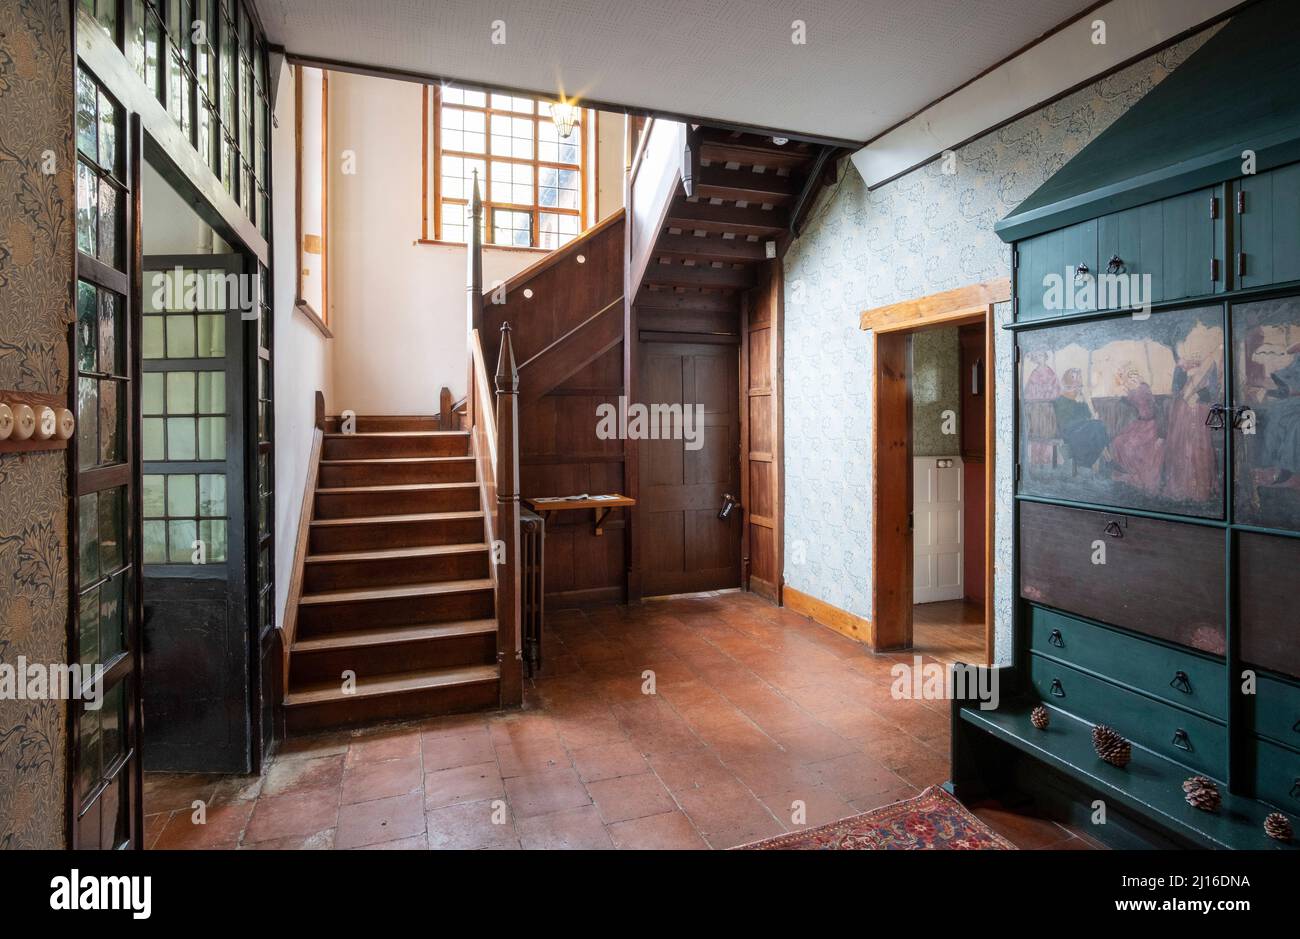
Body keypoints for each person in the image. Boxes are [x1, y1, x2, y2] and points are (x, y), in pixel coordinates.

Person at [1106, 364, 1164, 494]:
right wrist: (1122, 383)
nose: (1133, 378)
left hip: (1150, 425)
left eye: (1135, 375)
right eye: (1130, 376)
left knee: (1130, 446)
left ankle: (1137, 476)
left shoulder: (1144, 388)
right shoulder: (1131, 390)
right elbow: (1126, 398)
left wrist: (1127, 387)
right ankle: (1128, 471)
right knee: (1117, 441)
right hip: (1139, 424)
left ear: (1139, 376)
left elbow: (1148, 405)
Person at [1053, 368, 1109, 470]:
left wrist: (1085, 401)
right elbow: (1065, 422)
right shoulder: (1060, 400)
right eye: (1073, 378)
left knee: (1098, 426)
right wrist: (1076, 403)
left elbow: (1088, 416)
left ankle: (1107, 460)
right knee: (1098, 426)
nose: (1076, 382)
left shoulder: (1080, 398)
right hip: (1070, 431)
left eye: (1078, 379)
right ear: (1067, 381)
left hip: (1083, 428)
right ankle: (1108, 460)